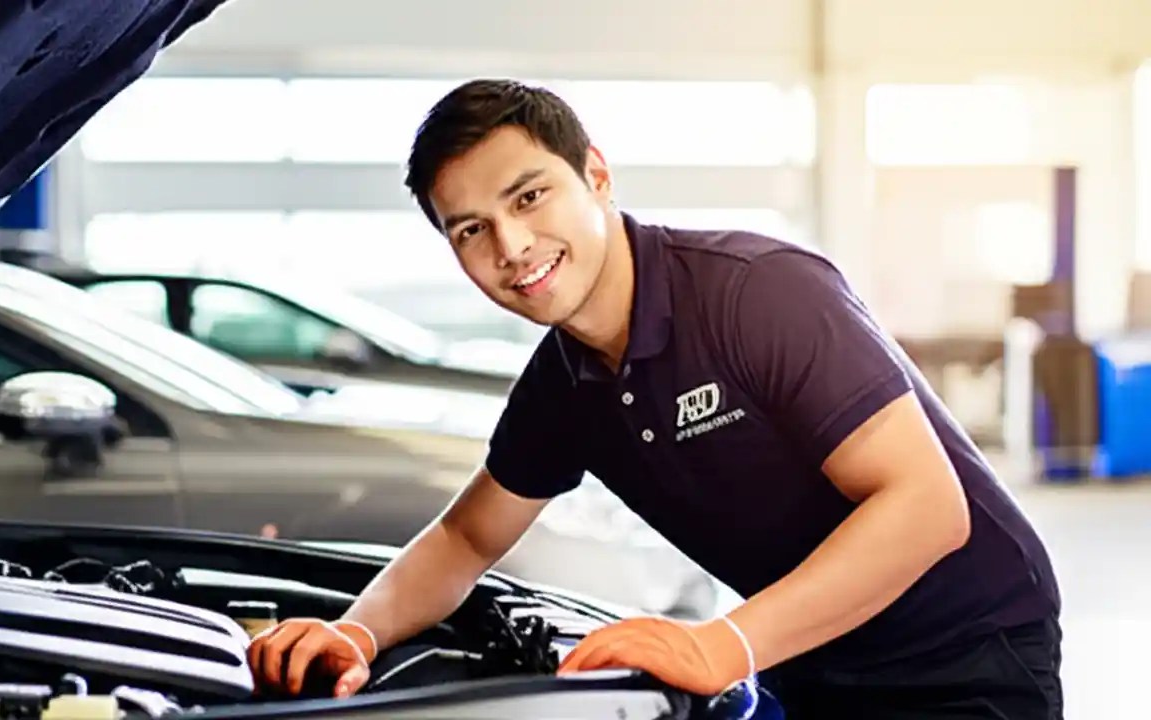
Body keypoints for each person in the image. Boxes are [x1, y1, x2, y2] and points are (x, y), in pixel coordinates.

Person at [247, 78, 1063, 718]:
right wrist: (357, 631)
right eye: (470, 229)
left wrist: (721, 645)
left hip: (964, 654)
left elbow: (927, 509)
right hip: (815, 658)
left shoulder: (757, 293)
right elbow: (465, 537)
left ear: (596, 176)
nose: (512, 246)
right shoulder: (564, 382)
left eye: (529, 197)